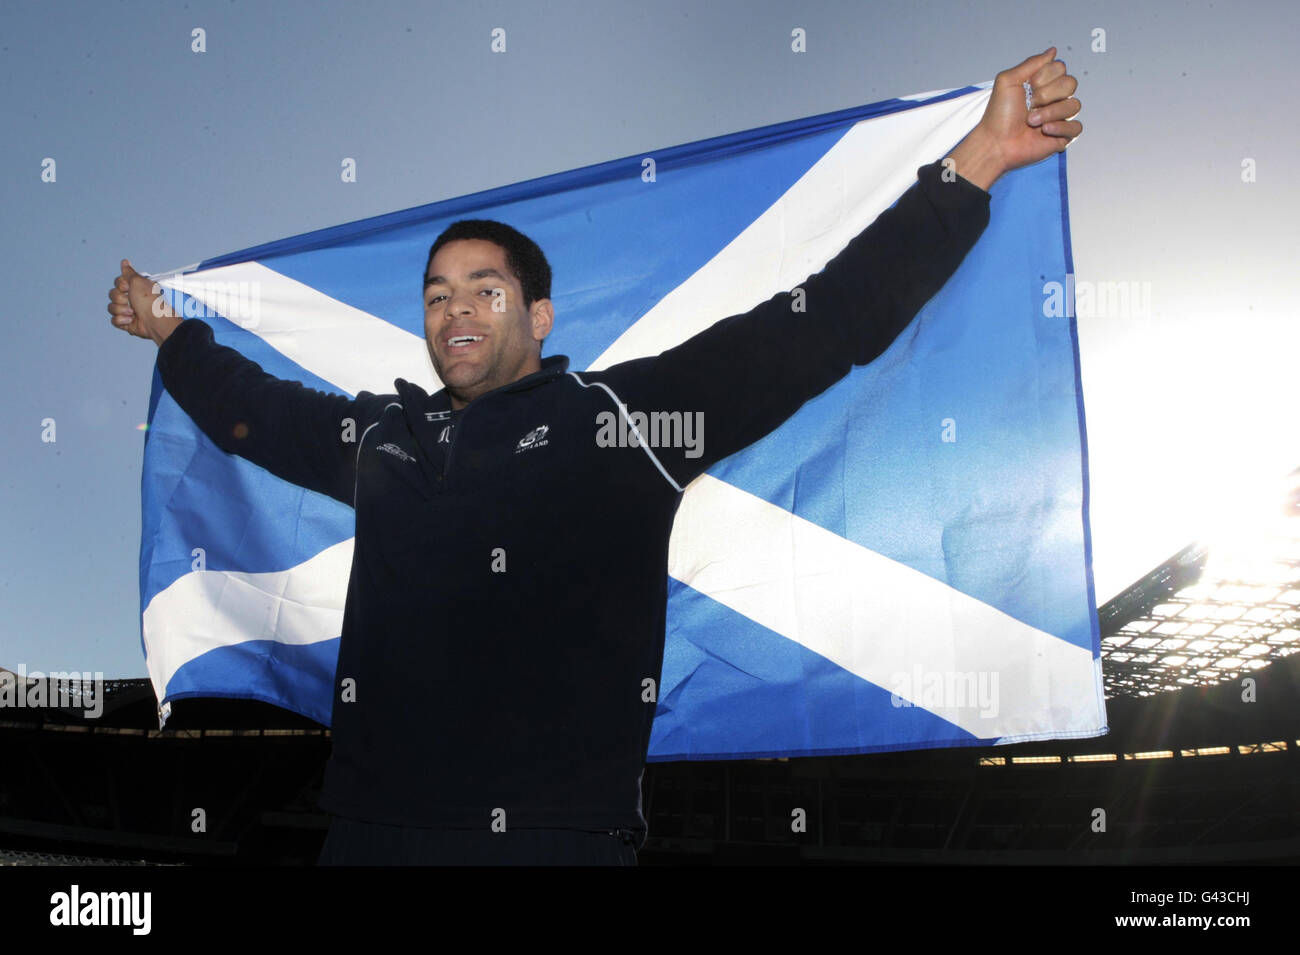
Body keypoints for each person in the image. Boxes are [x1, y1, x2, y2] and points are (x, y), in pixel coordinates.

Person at [108, 48, 1080, 865]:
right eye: (438, 293)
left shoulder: (622, 422)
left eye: (484, 290)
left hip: (554, 838)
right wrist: (171, 337)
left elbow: (819, 324)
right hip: (369, 836)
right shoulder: (380, 440)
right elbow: (255, 408)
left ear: (537, 316)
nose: (455, 309)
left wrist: (976, 165)